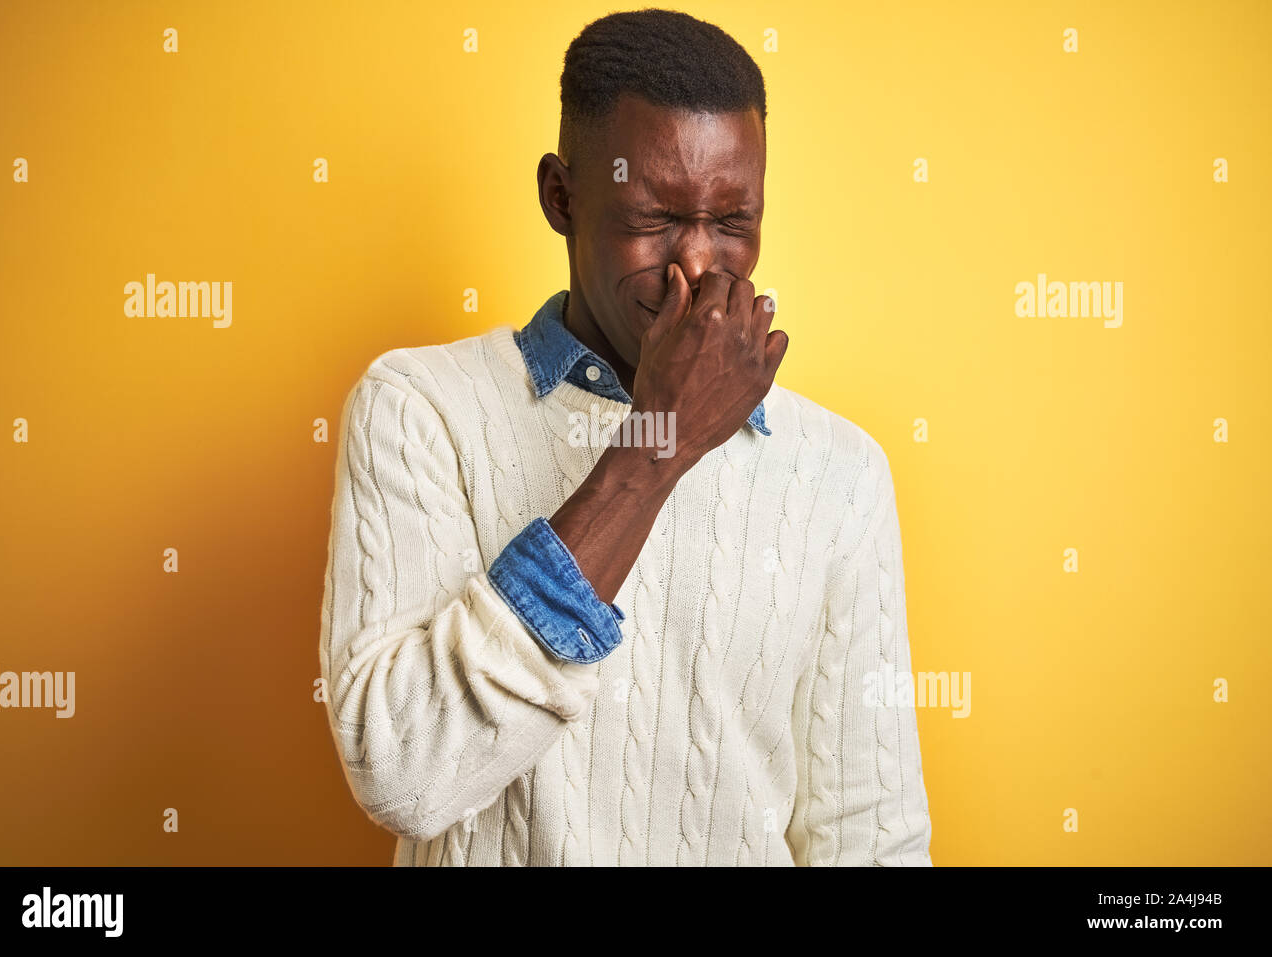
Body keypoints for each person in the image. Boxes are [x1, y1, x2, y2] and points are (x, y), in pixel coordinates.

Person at [318, 8, 932, 866]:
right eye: (654, 219)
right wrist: (659, 445)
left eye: (732, 221)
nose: (696, 263)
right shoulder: (418, 410)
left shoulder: (842, 472)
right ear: (560, 197)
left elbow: (871, 835)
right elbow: (404, 774)